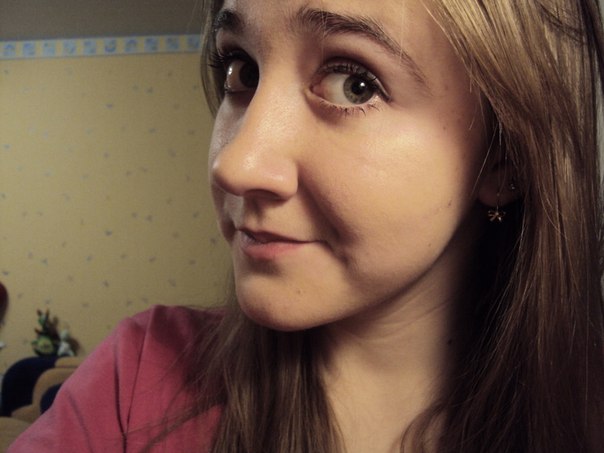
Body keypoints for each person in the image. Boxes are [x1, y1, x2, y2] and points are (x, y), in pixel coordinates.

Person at [9, 0, 604, 452]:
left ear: (503, 159)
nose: (235, 164)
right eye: (242, 70)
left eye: (354, 83)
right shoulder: (138, 379)